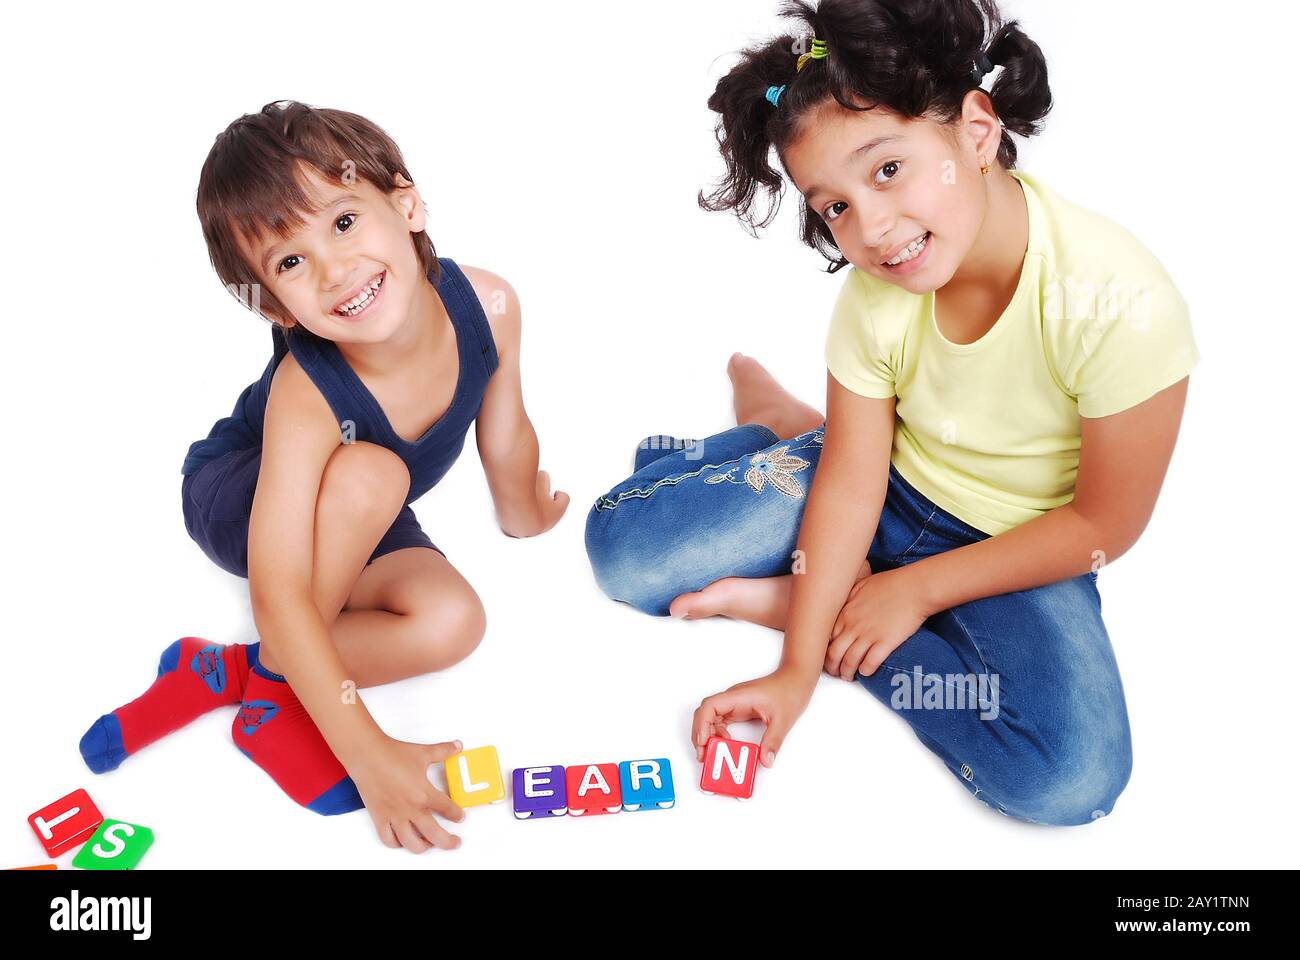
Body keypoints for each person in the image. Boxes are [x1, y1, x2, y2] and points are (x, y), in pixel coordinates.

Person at [584, 0, 1199, 825]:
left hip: (1017, 545)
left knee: (1069, 780)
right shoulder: (879, 294)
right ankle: (776, 444)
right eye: (833, 206)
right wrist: (795, 674)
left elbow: (1103, 525)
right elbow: (851, 478)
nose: (870, 229)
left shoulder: (1119, 300)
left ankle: (809, 595)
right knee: (623, 555)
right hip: (878, 483)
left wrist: (909, 594)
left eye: (886, 171)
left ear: (976, 133)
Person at [81, 100, 567, 853]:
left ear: (406, 204)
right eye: (290, 263)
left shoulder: (489, 304)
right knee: (374, 475)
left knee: (453, 620)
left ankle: (226, 672)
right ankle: (277, 702)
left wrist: (529, 513)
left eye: (343, 222)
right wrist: (368, 754)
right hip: (241, 493)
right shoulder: (305, 395)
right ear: (276, 307)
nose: (335, 271)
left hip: (363, 502)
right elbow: (278, 592)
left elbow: (506, 440)